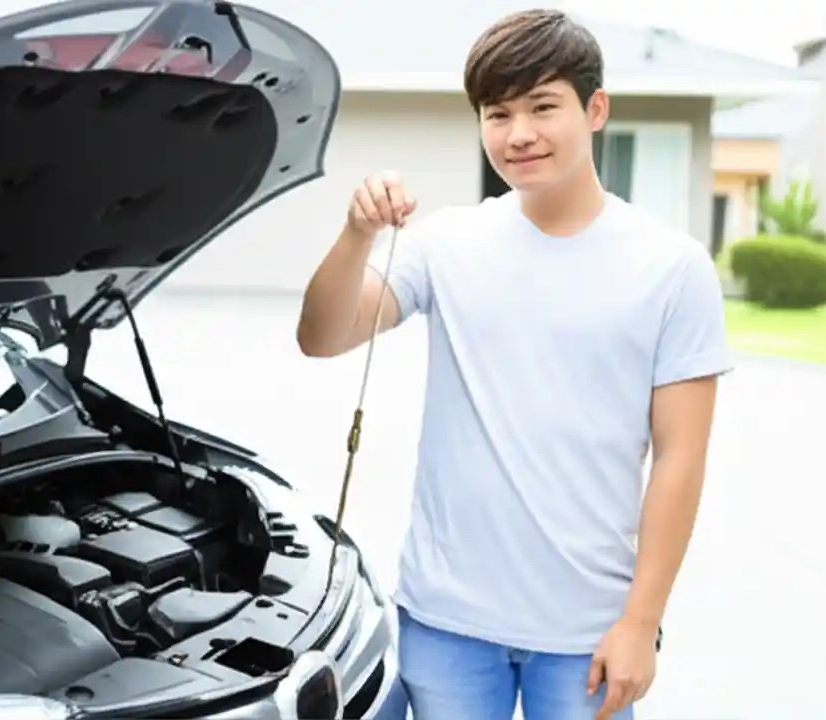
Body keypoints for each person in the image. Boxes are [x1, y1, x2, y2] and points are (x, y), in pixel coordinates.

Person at [295, 8, 732, 720]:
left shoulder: (673, 267)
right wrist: (356, 233)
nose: (519, 132)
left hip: (587, 630)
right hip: (447, 621)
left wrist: (639, 623)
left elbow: (680, 459)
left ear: (595, 110)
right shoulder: (447, 243)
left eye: (543, 106)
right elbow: (322, 334)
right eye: (497, 113)